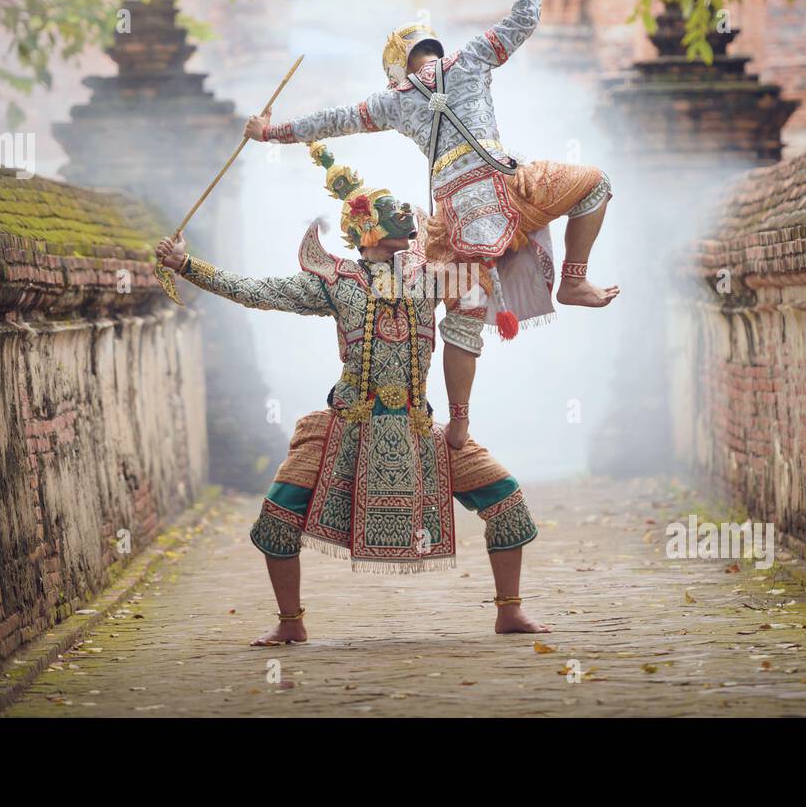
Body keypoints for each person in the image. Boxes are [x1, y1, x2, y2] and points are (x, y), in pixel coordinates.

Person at [242, 0, 617, 452]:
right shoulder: (471, 56)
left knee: (463, 319)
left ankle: (460, 421)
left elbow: (331, 121)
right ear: (433, 49)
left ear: (398, 71)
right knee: (595, 185)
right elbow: (525, 18)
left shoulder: (392, 101)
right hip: (512, 187)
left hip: (458, 219)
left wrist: (270, 133)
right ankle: (574, 280)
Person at [155, 142, 548, 645]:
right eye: (398, 214)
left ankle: (509, 611)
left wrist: (492, 226)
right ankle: (291, 622)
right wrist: (188, 265)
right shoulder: (335, 282)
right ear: (367, 229)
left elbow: (478, 277)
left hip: (418, 427)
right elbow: (258, 291)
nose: (411, 219)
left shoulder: (430, 276)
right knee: (276, 520)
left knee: (507, 501)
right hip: (345, 426)